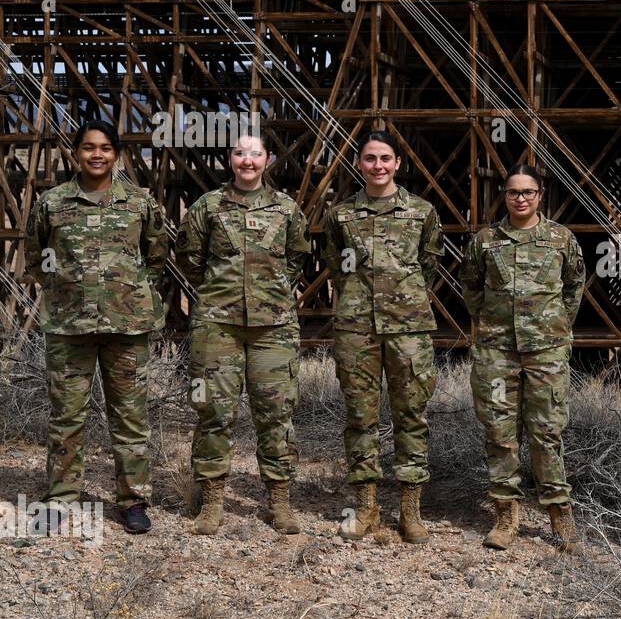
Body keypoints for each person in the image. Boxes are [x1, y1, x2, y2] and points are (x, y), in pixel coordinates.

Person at [23, 121, 166, 534]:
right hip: (69, 326)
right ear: (76, 154)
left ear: (117, 154)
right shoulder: (53, 202)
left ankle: (133, 500)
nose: (97, 155)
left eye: (105, 148)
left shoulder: (139, 202)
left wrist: (129, 291)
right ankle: (62, 496)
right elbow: (37, 256)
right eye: (88, 148)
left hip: (127, 326)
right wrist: (64, 291)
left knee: (131, 416)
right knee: (66, 415)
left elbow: (156, 255)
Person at [178, 134, 310, 536]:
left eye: (255, 153)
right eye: (239, 153)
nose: (247, 161)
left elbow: (296, 259)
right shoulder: (208, 207)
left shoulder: (286, 209)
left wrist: (269, 295)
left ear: (267, 158)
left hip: (274, 328)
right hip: (217, 325)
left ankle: (279, 503)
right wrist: (223, 295)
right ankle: (213, 502)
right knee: (214, 412)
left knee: (276, 415)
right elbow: (191, 260)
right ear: (230, 158)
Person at [323, 132, 443, 544]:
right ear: (360, 164)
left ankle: (410, 509)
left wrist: (401, 300)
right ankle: (367, 506)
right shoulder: (340, 216)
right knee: (361, 417)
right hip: (356, 327)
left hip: (408, 328)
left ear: (397, 164)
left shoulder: (422, 212)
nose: (378, 165)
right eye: (370, 158)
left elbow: (428, 265)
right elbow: (336, 266)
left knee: (411, 416)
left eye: (385, 158)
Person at [460, 163, 585, 552]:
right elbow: (471, 287)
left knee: (547, 433)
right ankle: (505, 515)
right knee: (499, 433)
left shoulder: (561, 239)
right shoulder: (485, 241)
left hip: (546, 352)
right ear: (504, 195)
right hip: (497, 352)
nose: (520, 198)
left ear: (540, 194)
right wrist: (492, 324)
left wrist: (555, 325)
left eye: (527, 192)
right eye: (513, 192)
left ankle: (560, 517)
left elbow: (574, 287)